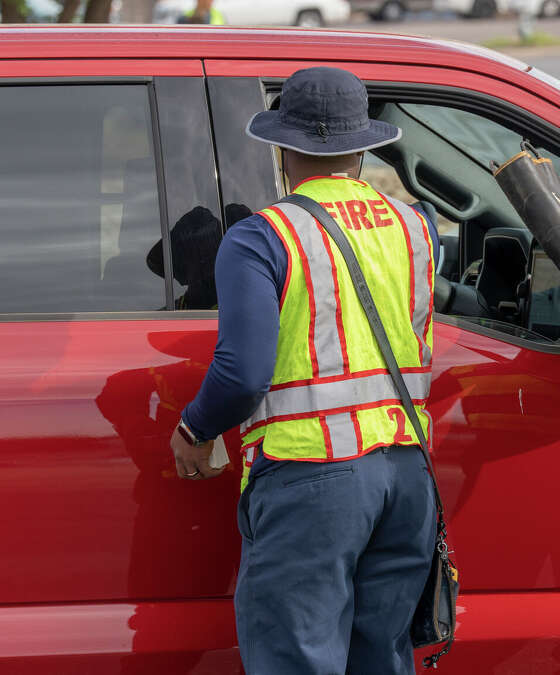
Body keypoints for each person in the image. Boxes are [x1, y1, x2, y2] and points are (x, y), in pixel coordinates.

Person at [168, 66, 441, 674]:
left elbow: (242, 373)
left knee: (297, 658)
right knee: (382, 657)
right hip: (406, 475)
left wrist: (194, 429)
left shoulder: (263, 237)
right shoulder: (417, 227)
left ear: (284, 150)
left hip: (312, 480)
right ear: (362, 148)